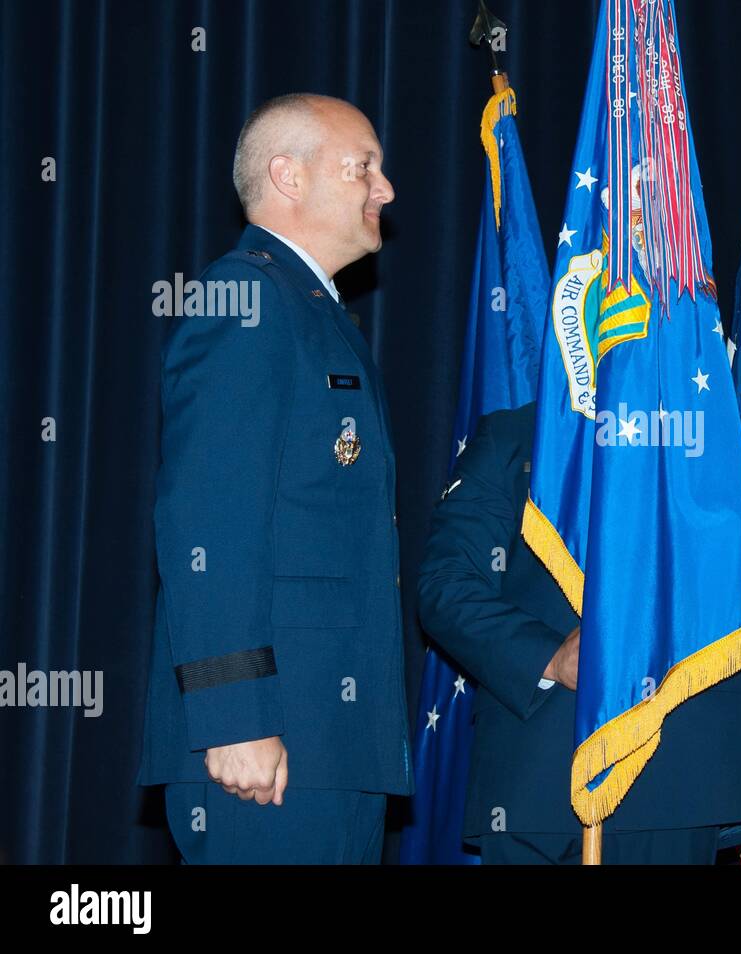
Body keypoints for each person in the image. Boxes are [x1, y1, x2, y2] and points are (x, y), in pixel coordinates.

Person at [139, 93, 409, 863]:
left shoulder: (313, 312)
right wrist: (233, 714)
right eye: (364, 167)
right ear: (287, 176)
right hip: (270, 738)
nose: (383, 190)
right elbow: (207, 519)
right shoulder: (249, 301)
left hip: (330, 739)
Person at [417, 403, 741, 864]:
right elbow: (445, 585)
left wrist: (675, 417)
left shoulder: (705, 417)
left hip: (675, 777)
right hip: (540, 775)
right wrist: (550, 657)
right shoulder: (515, 433)